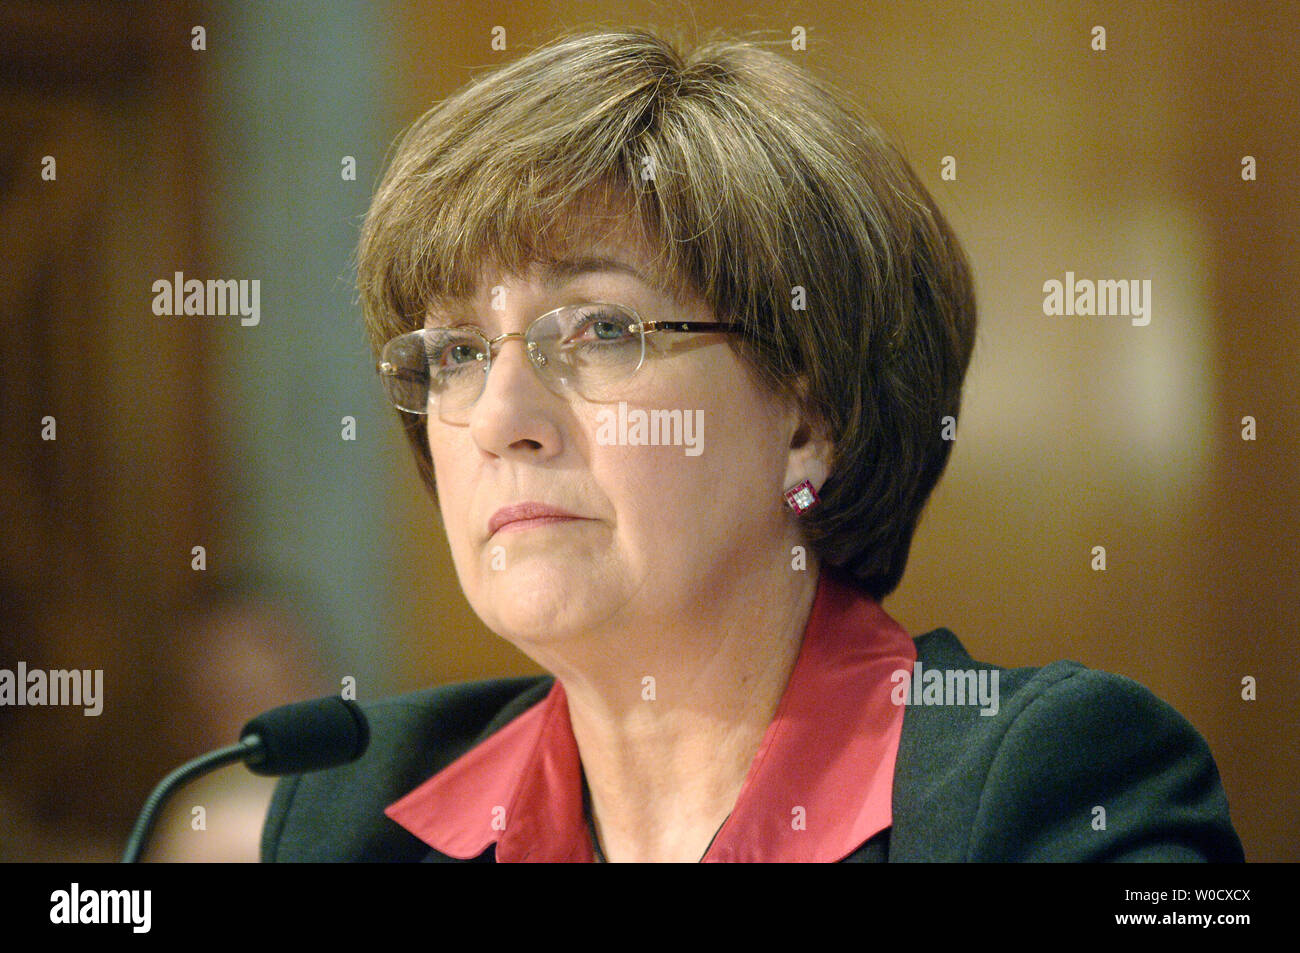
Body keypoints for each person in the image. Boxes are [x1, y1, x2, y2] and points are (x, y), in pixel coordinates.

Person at [260, 27, 1244, 862]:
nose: (499, 414)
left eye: (602, 329)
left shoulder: (1051, 785)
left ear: (806, 419)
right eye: (461, 351)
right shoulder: (350, 811)